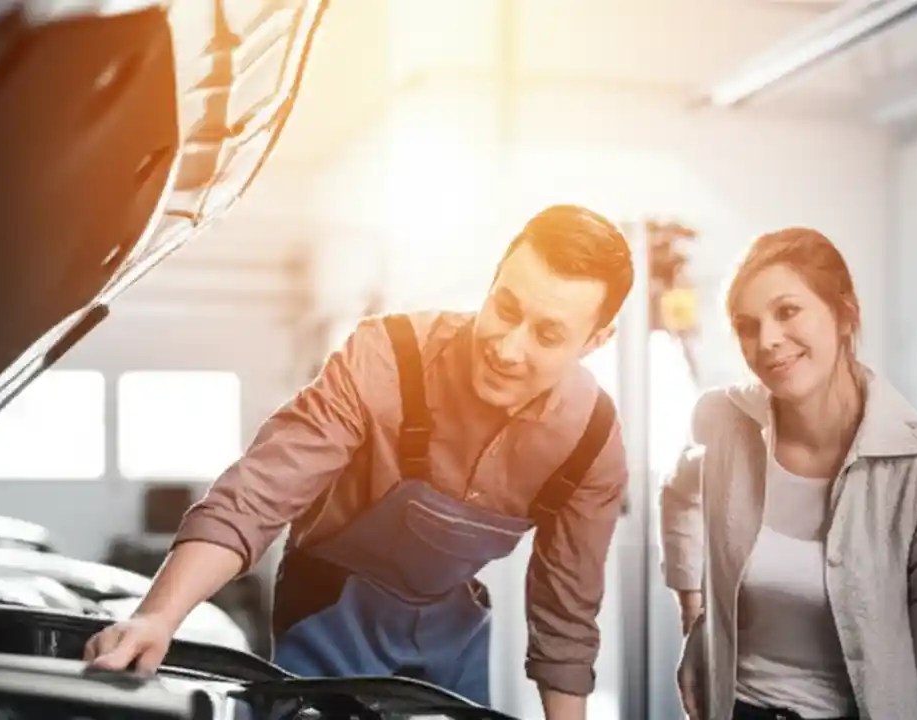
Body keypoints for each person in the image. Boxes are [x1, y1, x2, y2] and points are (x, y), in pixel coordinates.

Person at [82, 204, 635, 719]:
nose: (508, 348)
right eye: (506, 308)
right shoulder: (388, 357)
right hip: (329, 612)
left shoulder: (591, 440)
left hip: (455, 630)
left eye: (548, 334)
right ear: (492, 281)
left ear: (596, 340)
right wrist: (159, 616)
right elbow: (260, 492)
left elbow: (565, 614)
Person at [659, 228, 917, 720]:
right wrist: (694, 614)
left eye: (787, 312)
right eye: (747, 325)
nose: (767, 341)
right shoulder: (726, 422)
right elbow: (678, 492)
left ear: (845, 315)